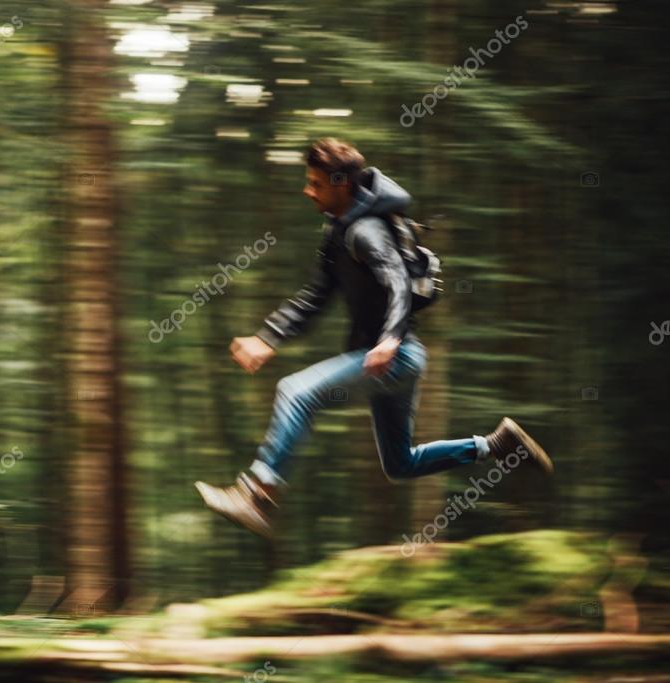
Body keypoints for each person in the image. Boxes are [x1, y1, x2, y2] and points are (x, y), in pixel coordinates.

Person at [194, 137, 553, 539]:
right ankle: (497, 445)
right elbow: (316, 294)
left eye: (315, 183)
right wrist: (269, 337)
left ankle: (257, 495)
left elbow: (398, 281)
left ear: (341, 184)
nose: (307, 190)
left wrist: (389, 340)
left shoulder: (367, 231)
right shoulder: (338, 231)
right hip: (392, 359)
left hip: (392, 356)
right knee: (400, 464)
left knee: (295, 391)